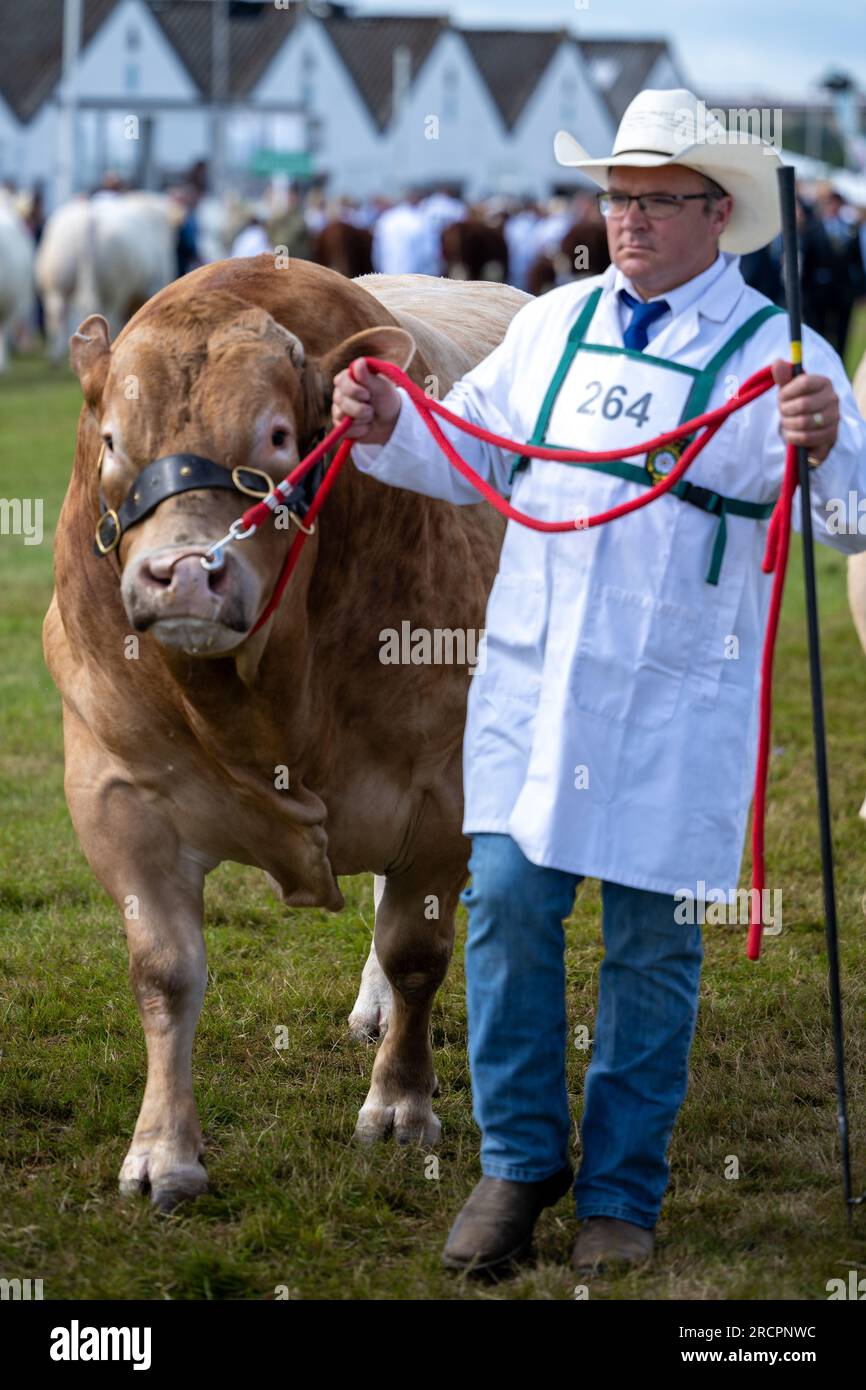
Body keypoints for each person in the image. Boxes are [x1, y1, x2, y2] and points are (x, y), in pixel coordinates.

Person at [332, 88, 866, 1278]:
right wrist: (382, 419)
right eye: (614, 196)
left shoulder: (782, 357)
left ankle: (622, 1190)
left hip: (680, 701)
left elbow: (850, 524)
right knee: (508, 914)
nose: (623, 219)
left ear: (714, 213)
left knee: (652, 949)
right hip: (537, 686)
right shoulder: (555, 325)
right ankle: (518, 1163)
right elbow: (464, 450)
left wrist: (830, 442)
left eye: (652, 199)